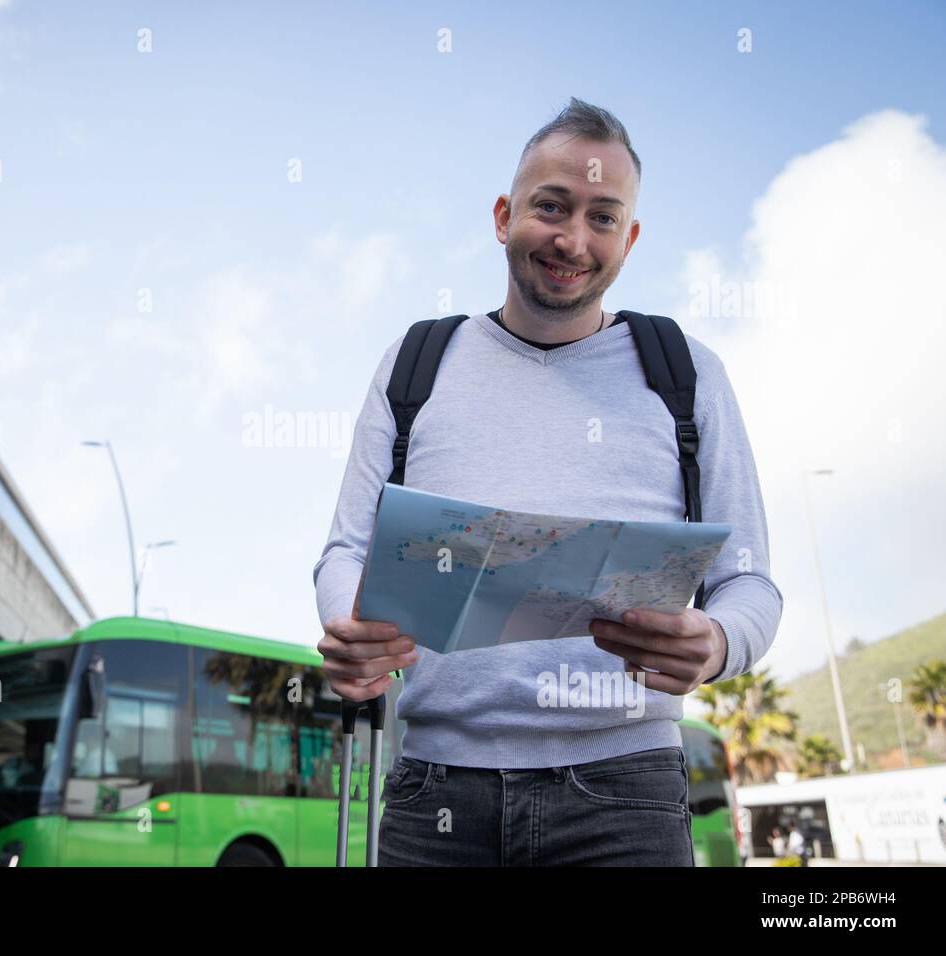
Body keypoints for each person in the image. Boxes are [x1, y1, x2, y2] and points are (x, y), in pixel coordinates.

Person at [313, 98, 783, 866]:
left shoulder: (685, 372)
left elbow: (753, 583)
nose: (573, 239)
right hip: (436, 790)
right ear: (503, 216)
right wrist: (353, 627)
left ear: (629, 239)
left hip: (624, 792)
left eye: (603, 218)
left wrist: (720, 641)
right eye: (552, 207)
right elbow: (344, 551)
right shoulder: (416, 362)